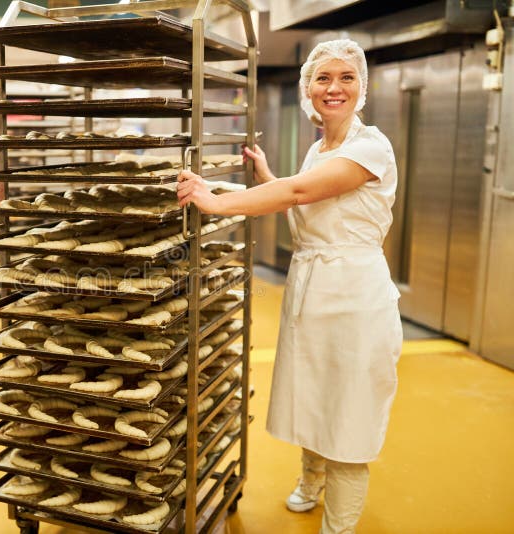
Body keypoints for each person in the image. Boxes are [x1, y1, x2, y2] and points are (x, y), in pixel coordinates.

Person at [177, 39, 402, 534]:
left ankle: (338, 526)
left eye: (346, 77)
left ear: (362, 87)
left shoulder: (371, 146)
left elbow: (301, 192)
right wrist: (264, 177)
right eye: (323, 78)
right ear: (309, 89)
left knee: (349, 410)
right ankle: (311, 481)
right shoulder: (319, 149)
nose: (334, 87)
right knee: (316, 394)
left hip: (354, 296)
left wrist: (215, 203)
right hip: (314, 290)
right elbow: (305, 198)